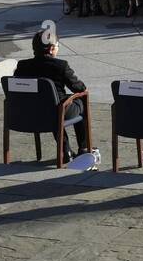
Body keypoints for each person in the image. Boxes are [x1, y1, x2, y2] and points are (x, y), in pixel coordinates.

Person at [13, 30, 92, 163]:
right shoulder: (60, 66)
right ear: (51, 49)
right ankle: (83, 148)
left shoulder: (22, 66)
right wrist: (84, 90)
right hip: (56, 111)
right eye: (57, 46)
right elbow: (79, 88)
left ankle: (65, 150)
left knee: (49, 104)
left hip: (29, 112)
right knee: (80, 101)